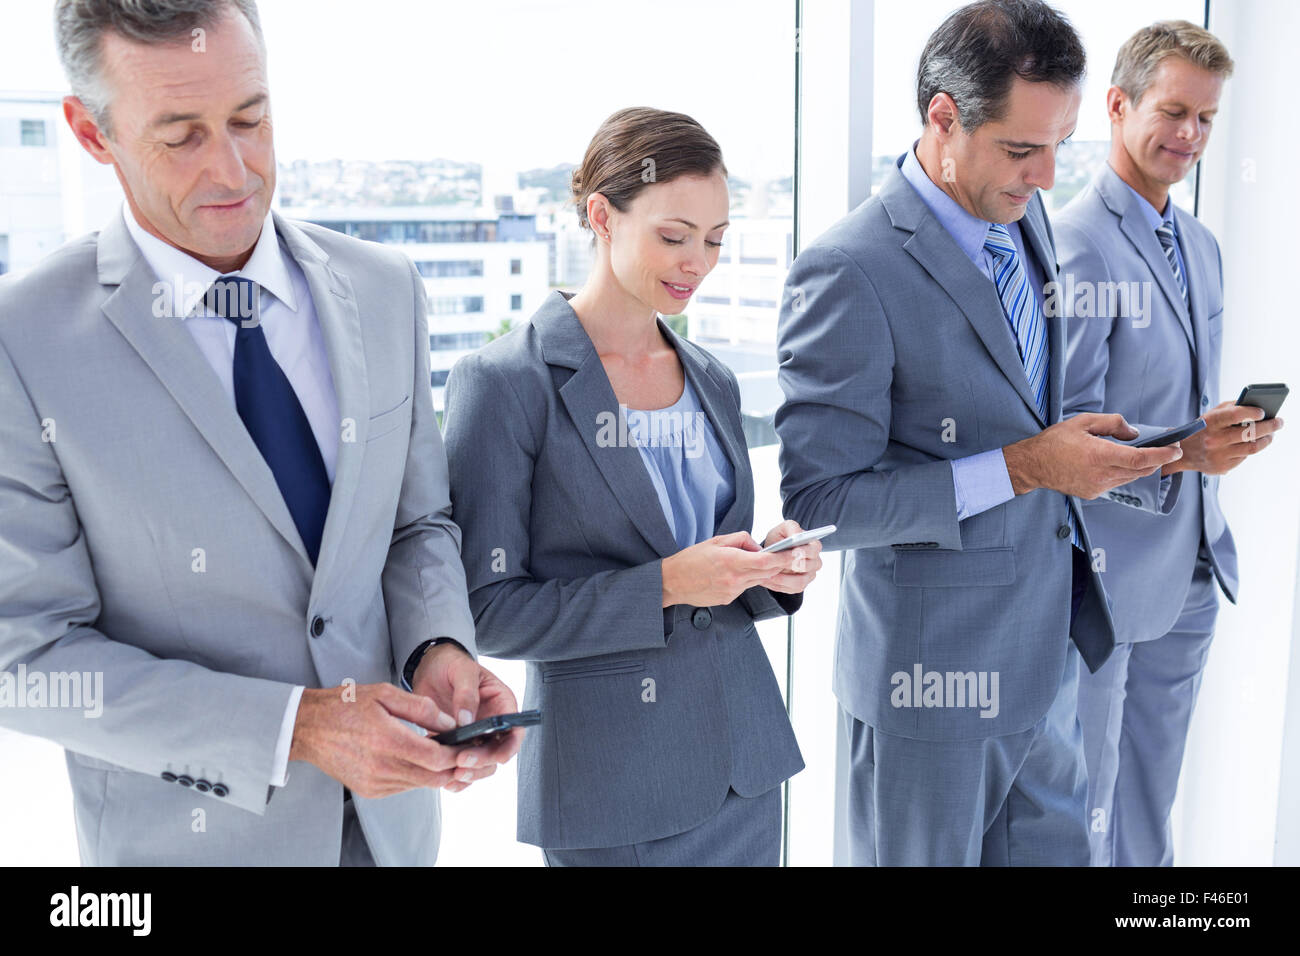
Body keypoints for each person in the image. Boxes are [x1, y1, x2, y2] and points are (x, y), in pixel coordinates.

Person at [0, 0, 520, 866]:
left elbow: (414, 523)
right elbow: (25, 655)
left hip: (396, 833)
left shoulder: (384, 287)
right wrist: (295, 729)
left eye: (251, 118)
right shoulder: (23, 344)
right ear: (93, 135)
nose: (234, 169)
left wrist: (439, 644)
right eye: (181, 136)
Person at [775, 0, 1183, 866]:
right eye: (1021, 149)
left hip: (1045, 666)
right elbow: (822, 503)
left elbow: (1016, 403)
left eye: (1059, 148)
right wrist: (1029, 465)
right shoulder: (848, 270)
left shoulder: (1023, 215)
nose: (1045, 178)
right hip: (928, 694)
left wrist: (1079, 447)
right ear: (943, 118)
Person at [443, 107, 821, 866]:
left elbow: (711, 576)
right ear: (601, 216)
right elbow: (488, 612)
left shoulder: (709, 378)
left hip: (745, 767)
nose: (697, 263)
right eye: (674, 236)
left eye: (714, 241)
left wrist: (771, 569)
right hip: (614, 786)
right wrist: (667, 584)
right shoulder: (505, 384)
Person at [1057, 21, 1281, 866]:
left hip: (1192, 562)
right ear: (1117, 106)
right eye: (1173, 111)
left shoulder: (1200, 246)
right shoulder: (1075, 244)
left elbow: (1176, 394)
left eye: (1206, 120)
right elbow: (1071, 426)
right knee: (1089, 800)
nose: (1189, 136)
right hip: (1109, 577)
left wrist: (1223, 431)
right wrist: (1189, 450)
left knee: (1152, 800)